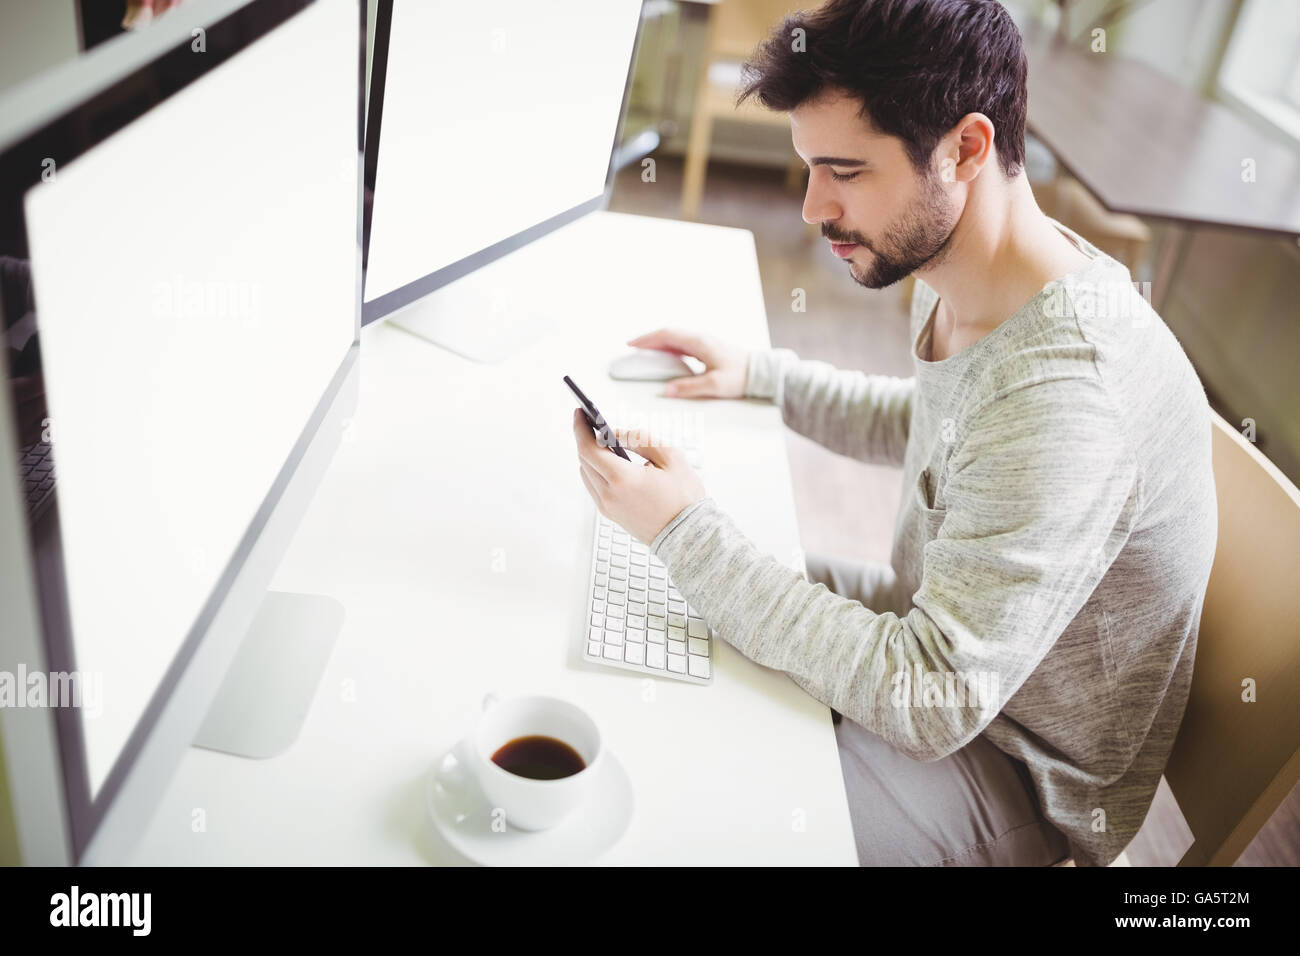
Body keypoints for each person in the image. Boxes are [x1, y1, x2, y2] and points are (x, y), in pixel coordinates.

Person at [571, 0, 1216, 866]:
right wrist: (763, 377)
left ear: (966, 148)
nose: (811, 207)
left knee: (713, 818)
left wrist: (685, 529)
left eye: (843, 169)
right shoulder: (971, 267)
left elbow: (932, 698)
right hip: (935, 637)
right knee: (651, 610)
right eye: (809, 167)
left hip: (1012, 762)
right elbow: (941, 428)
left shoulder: (1070, 396)